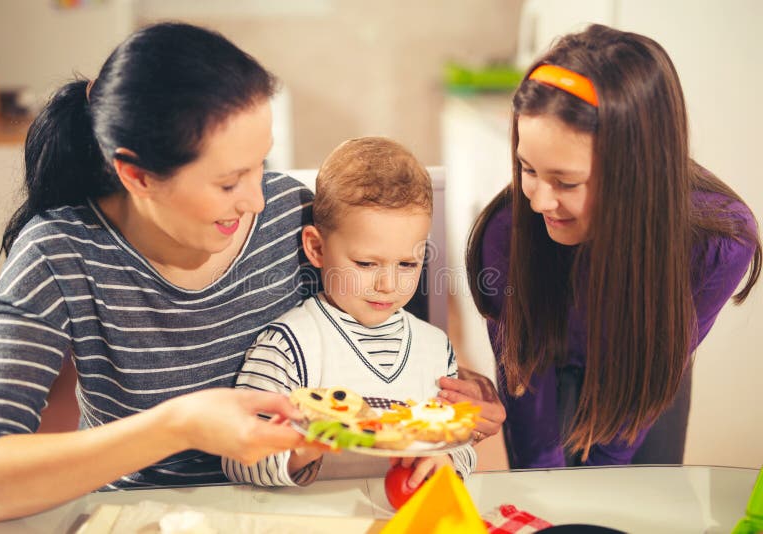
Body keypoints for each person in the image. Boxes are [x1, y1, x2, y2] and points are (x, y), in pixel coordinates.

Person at [0, 23, 319, 525]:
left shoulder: (292, 216)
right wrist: (178, 427)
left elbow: (380, 345)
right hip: (136, 517)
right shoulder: (59, 254)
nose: (257, 199)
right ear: (136, 175)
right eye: (228, 182)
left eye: (261, 164)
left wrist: (446, 394)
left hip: (295, 510)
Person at [465, 24, 761, 468]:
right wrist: (547, 486)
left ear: (637, 173)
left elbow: (651, 372)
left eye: (566, 182)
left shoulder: (719, 243)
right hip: (546, 382)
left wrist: (603, 480)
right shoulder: (508, 231)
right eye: (527, 170)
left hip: (645, 378)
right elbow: (526, 380)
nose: (539, 202)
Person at [223, 137, 477, 488]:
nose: (388, 284)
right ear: (316, 248)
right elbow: (238, 458)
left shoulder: (435, 347)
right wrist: (304, 446)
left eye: (407, 263)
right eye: (366, 263)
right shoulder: (285, 347)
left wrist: (449, 458)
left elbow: (460, 438)